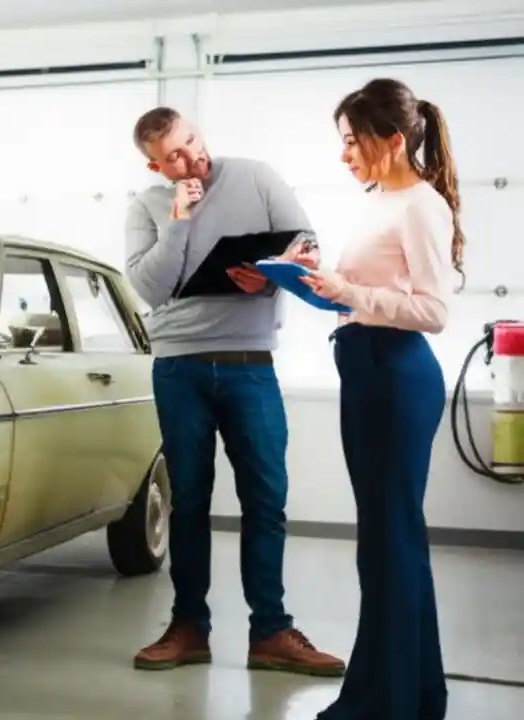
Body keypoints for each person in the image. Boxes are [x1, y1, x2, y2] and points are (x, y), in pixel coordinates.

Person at [124, 106, 345, 676]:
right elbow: (150, 288)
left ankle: (270, 631)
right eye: (172, 154)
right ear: (154, 163)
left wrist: (276, 271)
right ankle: (188, 627)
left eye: (191, 141)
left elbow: (308, 246)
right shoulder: (146, 205)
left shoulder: (256, 176)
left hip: (251, 365)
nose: (191, 156)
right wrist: (179, 220)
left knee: (267, 500)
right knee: (190, 501)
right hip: (179, 368)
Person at [301, 77, 457, 720]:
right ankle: (409, 698)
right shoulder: (383, 203)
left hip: (394, 374)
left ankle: (384, 704)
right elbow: (362, 296)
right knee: (392, 540)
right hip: (369, 368)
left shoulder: (421, 206)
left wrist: (350, 292)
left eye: (351, 141)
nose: (344, 155)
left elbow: (434, 311)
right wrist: (314, 281)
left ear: (392, 140)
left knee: (389, 541)